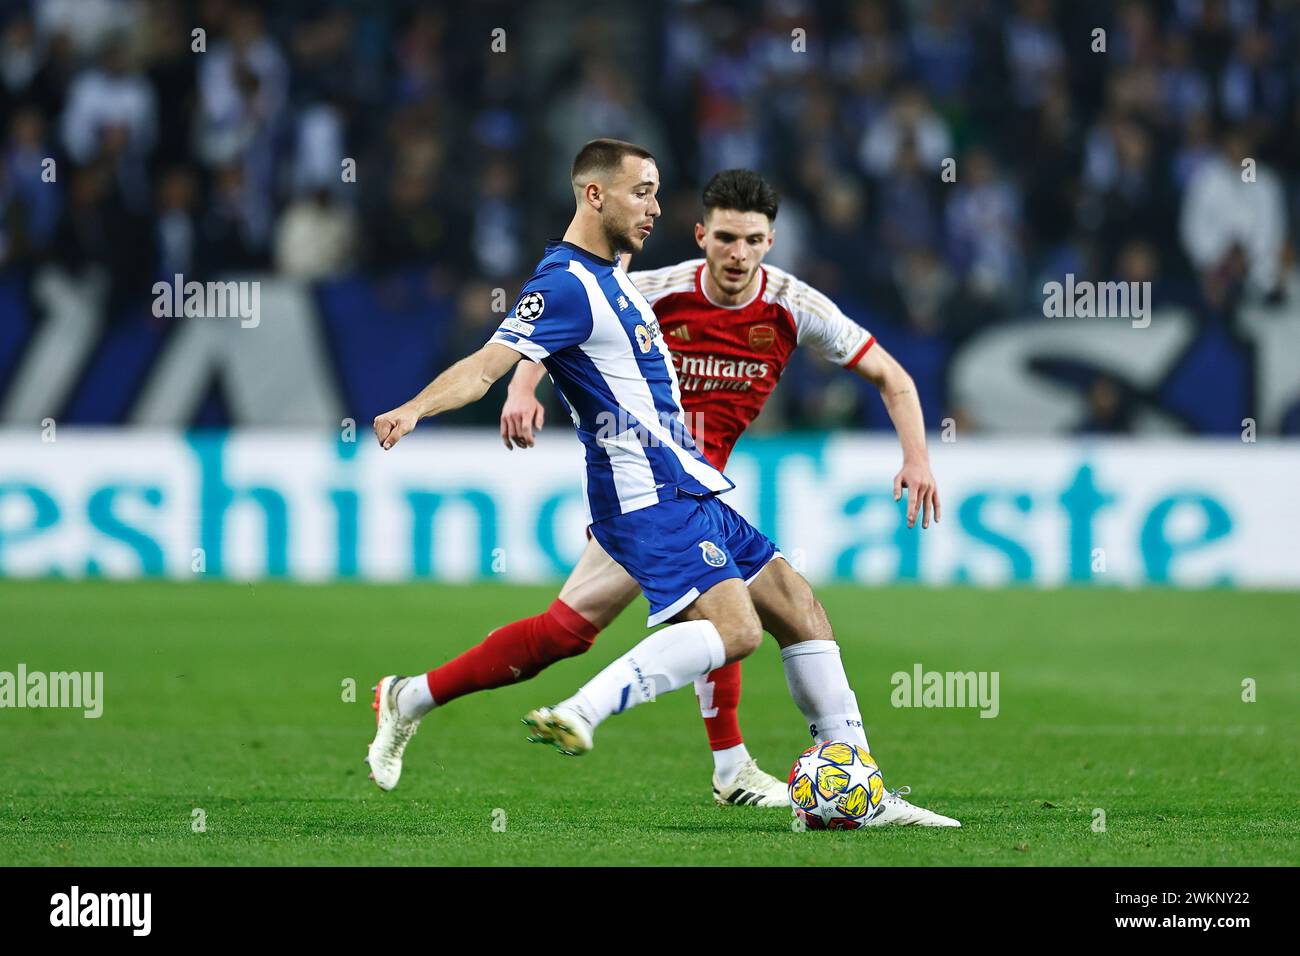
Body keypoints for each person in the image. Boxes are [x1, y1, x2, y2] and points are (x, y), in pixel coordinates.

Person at [369, 139, 957, 827]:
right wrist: (426, 405)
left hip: (689, 484)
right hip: (646, 496)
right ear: (594, 195)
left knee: (791, 605)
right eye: (641, 192)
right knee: (730, 625)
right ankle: (606, 721)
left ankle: (858, 783)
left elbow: (891, 374)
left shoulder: (631, 281)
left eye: (656, 192)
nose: (655, 208)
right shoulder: (577, 284)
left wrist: (917, 456)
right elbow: (492, 359)